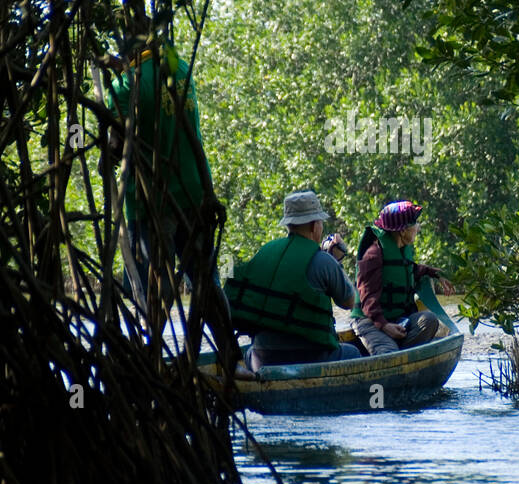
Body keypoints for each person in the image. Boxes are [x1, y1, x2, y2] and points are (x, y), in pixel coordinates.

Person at [102, 37, 224, 320]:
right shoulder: (180, 68)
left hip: (150, 203)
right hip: (193, 192)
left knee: (153, 288)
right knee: (206, 281)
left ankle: (152, 353)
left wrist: (103, 159)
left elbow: (116, 144)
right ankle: (231, 356)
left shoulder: (123, 86)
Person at [226, 191, 362, 371]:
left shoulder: (264, 252)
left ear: (288, 225)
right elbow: (350, 302)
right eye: (320, 222)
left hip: (262, 359)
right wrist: (336, 262)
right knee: (353, 353)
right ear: (315, 226)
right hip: (311, 357)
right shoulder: (323, 260)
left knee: (249, 352)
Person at [350, 200, 450, 357]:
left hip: (396, 319)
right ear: (403, 231)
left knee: (429, 320)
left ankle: (399, 351)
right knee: (388, 354)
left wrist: (436, 273)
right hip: (370, 322)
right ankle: (391, 351)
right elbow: (367, 298)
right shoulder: (373, 255)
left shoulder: (401, 249)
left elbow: (411, 271)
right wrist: (383, 325)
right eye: (415, 223)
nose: (418, 227)